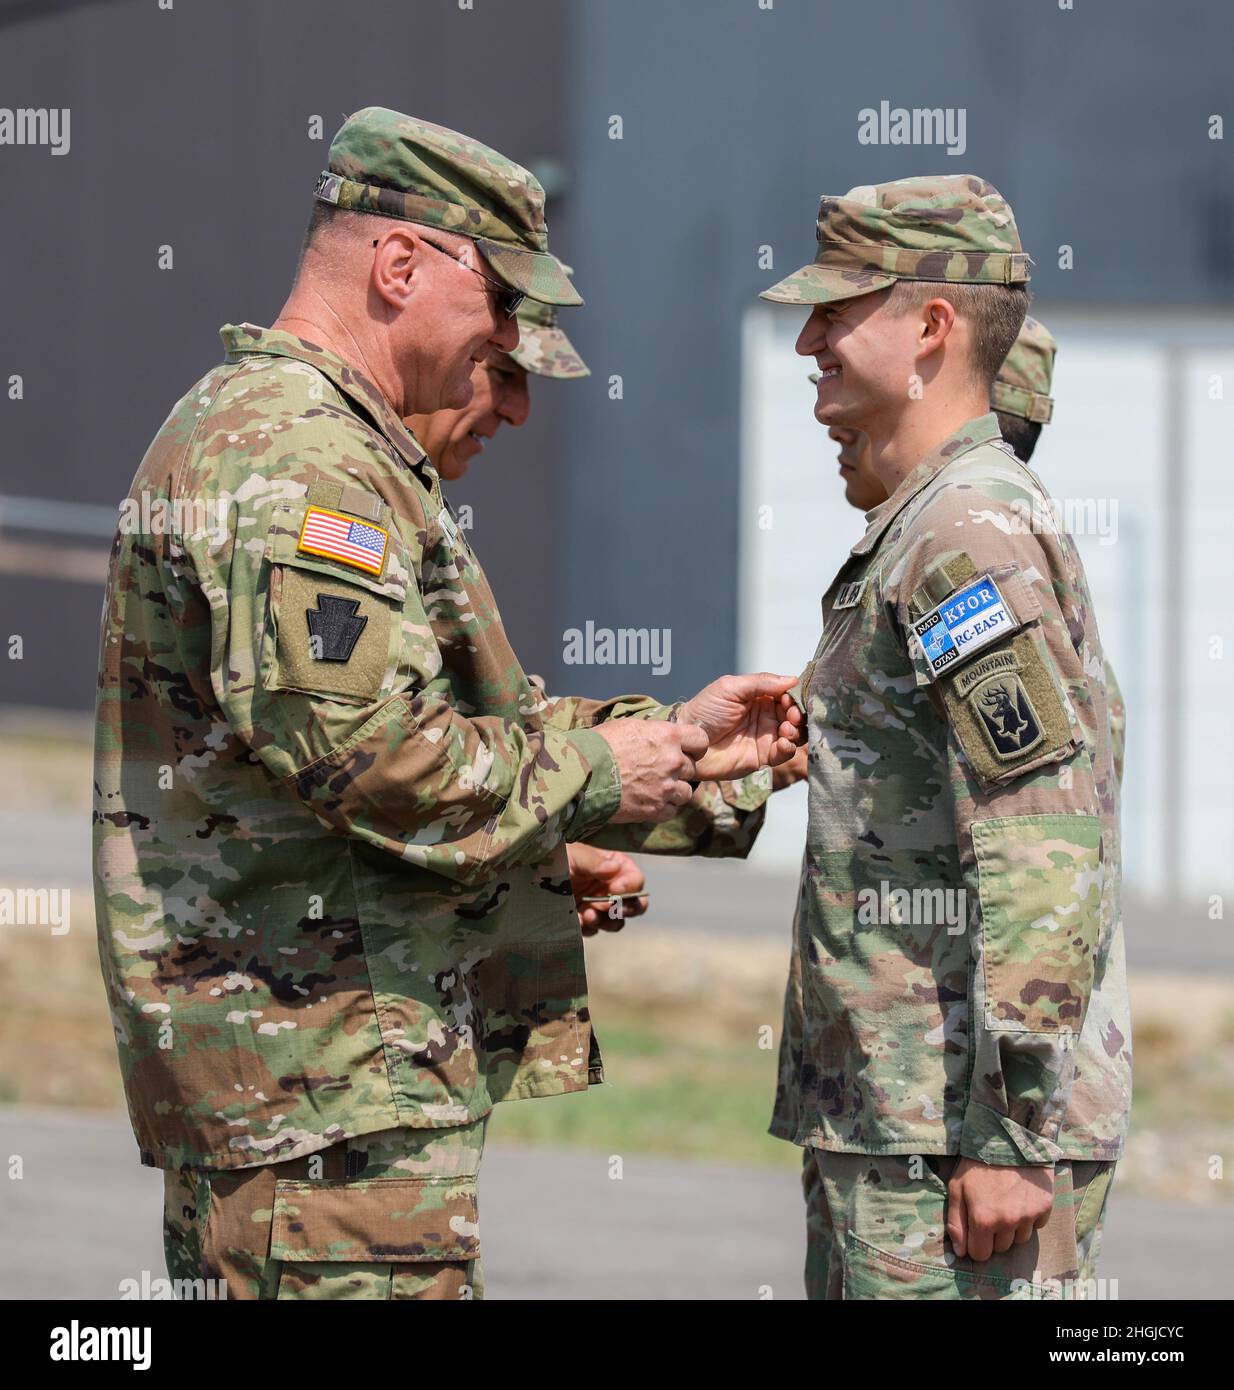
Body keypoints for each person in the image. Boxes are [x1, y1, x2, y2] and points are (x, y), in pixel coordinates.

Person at [93, 106, 800, 1301]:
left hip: (313, 1096)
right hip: (322, 1107)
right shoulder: (303, 461)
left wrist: (677, 756)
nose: (516, 396)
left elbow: (380, 742)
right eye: (502, 327)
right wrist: (591, 778)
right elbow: (374, 757)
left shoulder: (310, 445)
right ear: (399, 264)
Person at [761, 175, 1130, 1299]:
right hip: (904, 1114)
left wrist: (1012, 1132)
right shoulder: (929, 521)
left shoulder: (963, 529)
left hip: (944, 1130)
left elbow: (1038, 837)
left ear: (930, 328)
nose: (809, 342)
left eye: (838, 309)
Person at [813, 314, 1126, 779]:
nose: (836, 429)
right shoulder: (933, 544)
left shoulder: (962, 547)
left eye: (866, 411)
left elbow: (1027, 835)